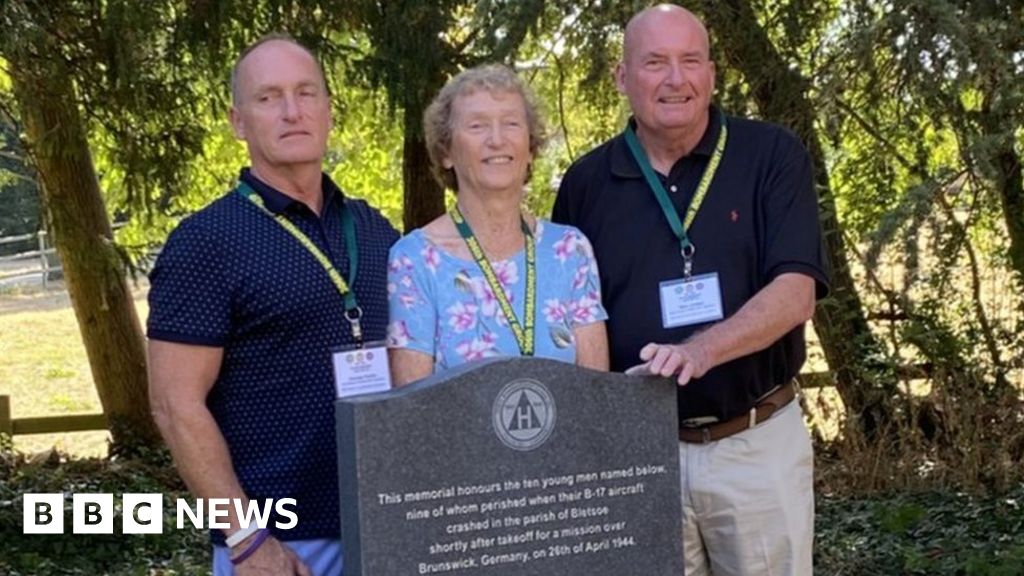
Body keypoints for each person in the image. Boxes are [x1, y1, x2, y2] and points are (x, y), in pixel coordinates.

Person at [552, 5, 831, 575]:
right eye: (655, 62)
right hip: (639, 456)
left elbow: (796, 292)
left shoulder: (770, 156)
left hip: (754, 448)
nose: (675, 79)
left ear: (712, 73)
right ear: (622, 77)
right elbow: (569, 323)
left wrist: (700, 351)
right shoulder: (585, 184)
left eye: (691, 61)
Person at [147, 34, 398, 575]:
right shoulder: (205, 243)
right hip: (280, 545)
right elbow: (174, 404)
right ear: (238, 121)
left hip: (385, 526)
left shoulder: (373, 230)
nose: (292, 111)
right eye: (269, 97)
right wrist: (246, 539)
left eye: (306, 93)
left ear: (328, 110)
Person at [387, 64, 608, 385]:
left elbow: (597, 393)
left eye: (511, 123)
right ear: (446, 151)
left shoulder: (569, 250)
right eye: (477, 126)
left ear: (530, 148)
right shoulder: (415, 259)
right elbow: (411, 406)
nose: (497, 139)